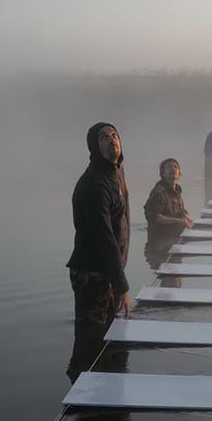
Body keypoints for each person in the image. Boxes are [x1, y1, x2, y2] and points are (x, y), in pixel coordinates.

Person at [66, 122, 130, 383]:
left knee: (107, 333)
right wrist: (122, 285)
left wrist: (118, 276)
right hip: (92, 274)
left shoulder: (115, 172)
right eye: (103, 137)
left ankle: (104, 389)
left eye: (115, 135)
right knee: (91, 338)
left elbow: (123, 221)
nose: (111, 140)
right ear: (94, 146)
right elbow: (104, 240)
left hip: (108, 271)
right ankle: (81, 397)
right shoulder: (94, 184)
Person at [143, 157, 193, 270]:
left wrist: (187, 218)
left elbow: (181, 211)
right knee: (168, 272)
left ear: (179, 173)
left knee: (176, 270)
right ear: (163, 173)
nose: (172, 169)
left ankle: (175, 283)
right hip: (158, 245)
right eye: (168, 167)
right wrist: (180, 221)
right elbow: (156, 217)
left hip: (173, 239)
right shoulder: (158, 192)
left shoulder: (177, 191)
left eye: (175, 167)